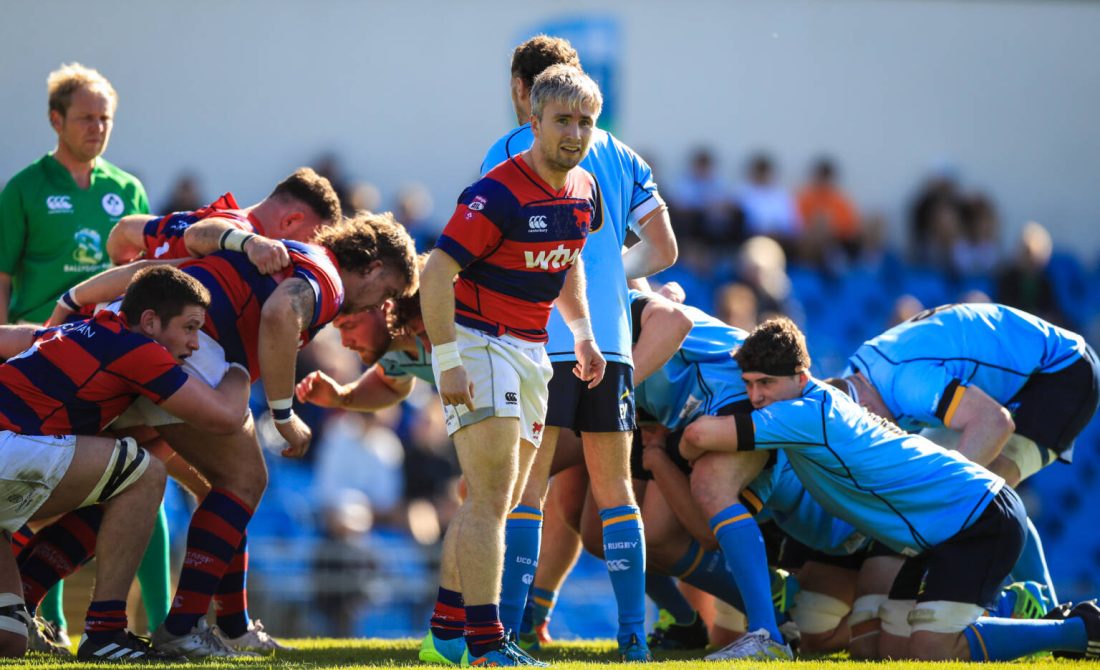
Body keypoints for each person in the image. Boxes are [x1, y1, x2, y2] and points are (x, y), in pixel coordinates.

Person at [51, 212, 418, 657]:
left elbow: (148, 250)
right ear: (374, 268)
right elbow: (281, 313)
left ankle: (26, 605)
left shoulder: (285, 252)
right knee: (242, 480)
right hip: (187, 352)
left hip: (127, 340)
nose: (385, 305)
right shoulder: (328, 278)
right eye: (391, 292)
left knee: (137, 483)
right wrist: (284, 415)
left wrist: (72, 302)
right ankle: (182, 626)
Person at [680, 317, 1100, 661]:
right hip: (930, 532)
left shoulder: (808, 413)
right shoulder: (818, 404)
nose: (754, 397)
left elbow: (699, 436)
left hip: (976, 516)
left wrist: (668, 444)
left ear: (802, 376)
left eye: (765, 384)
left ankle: (1075, 629)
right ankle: (994, 611)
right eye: (749, 384)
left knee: (933, 650)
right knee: (875, 650)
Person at [479, 35, 677, 662]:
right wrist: (613, 274)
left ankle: (506, 633)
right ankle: (632, 637)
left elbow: (486, 242)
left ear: (523, 92)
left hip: (536, 338)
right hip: (610, 344)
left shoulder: (517, 147)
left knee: (524, 492)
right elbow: (665, 250)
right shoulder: (620, 152)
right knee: (615, 491)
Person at [419, 64, 605, 667]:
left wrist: (582, 333)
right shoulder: (497, 191)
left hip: (530, 350)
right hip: (480, 344)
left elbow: (569, 256)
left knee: (488, 497)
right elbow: (436, 274)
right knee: (494, 502)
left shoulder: (585, 188)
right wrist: (448, 361)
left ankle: (444, 637)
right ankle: (486, 644)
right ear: (534, 121)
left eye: (586, 122)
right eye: (563, 120)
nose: (575, 133)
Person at [0, 265, 250, 660]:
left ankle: (24, 611)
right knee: (146, 472)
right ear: (149, 321)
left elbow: (7, 337)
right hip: (8, 451)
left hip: (10, 463)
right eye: (189, 327)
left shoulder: (81, 329)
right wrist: (241, 369)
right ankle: (105, 632)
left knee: (8, 640)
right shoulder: (138, 351)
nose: (196, 343)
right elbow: (224, 417)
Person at [843, 302, 1099, 487]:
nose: (872, 439)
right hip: (1000, 380)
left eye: (867, 433)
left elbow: (995, 423)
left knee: (985, 486)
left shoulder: (909, 383)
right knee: (926, 479)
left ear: (865, 407)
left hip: (1061, 371)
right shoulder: (851, 380)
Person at [0, 63, 148, 326]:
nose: (97, 127)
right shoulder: (23, 189)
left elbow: (144, 271)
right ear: (56, 120)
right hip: (37, 338)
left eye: (104, 118)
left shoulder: (128, 189)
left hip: (106, 337)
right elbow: (2, 277)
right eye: (86, 118)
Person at [106, 167, 341, 268]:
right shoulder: (245, 234)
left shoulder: (199, 216)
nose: (308, 250)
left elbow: (125, 229)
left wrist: (120, 272)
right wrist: (251, 242)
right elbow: (198, 234)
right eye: (311, 239)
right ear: (290, 221)